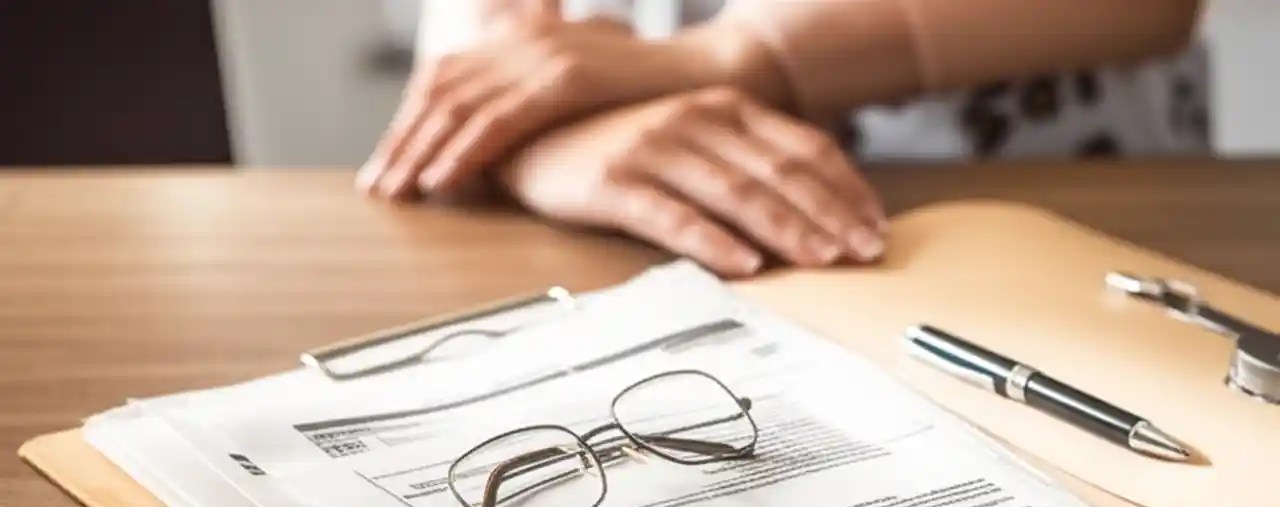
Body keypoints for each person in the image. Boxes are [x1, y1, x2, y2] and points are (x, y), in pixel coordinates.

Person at [359, 0, 1209, 277]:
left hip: (1060, 220)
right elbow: (489, 30)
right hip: (620, 229)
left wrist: (732, 58)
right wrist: (541, 127)